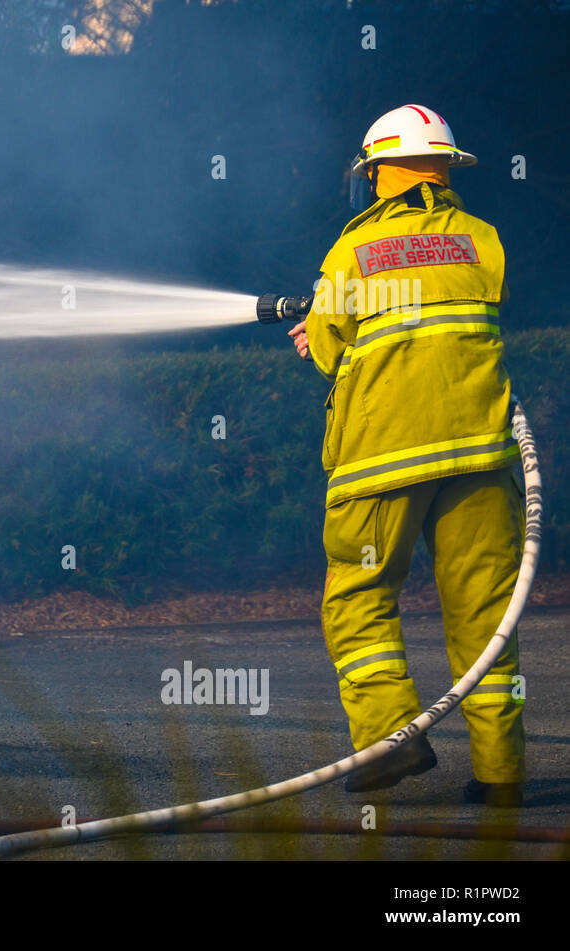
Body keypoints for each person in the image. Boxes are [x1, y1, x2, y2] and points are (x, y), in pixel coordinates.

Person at [288, 104, 526, 807]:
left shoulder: (353, 251)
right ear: (447, 169)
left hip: (381, 459)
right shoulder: (484, 241)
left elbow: (331, 346)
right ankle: (502, 774)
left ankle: (393, 735)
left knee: (359, 600)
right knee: (486, 614)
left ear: (378, 174)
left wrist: (319, 331)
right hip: (479, 454)